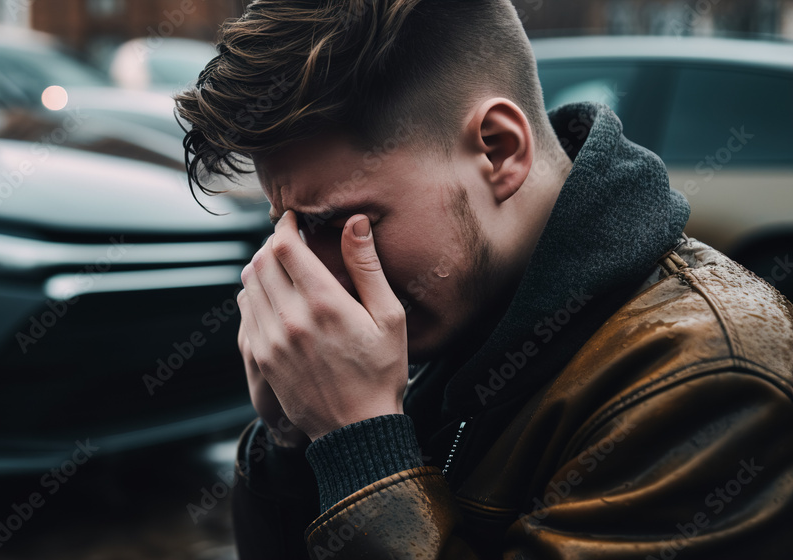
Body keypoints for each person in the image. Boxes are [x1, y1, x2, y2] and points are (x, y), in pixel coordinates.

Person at [173, 0, 793, 558]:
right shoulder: (474, 308)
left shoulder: (713, 385)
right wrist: (294, 447)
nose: (310, 283)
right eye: (283, 226)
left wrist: (360, 448)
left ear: (498, 150)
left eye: (336, 221)